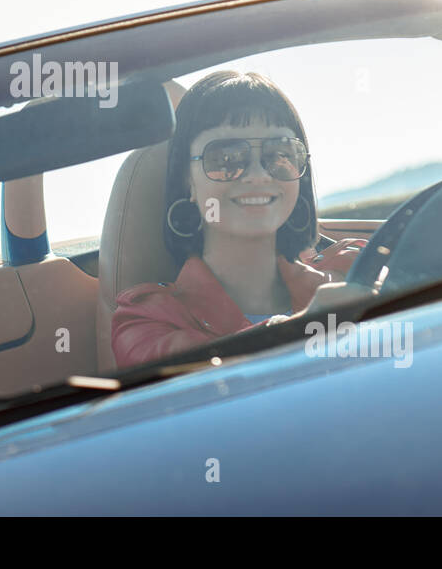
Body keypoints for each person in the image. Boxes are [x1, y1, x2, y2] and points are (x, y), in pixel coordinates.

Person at [110, 70, 371, 369]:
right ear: (187, 180)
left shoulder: (354, 268)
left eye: (279, 154)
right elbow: (196, 382)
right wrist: (301, 328)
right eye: (226, 158)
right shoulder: (146, 321)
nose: (259, 175)